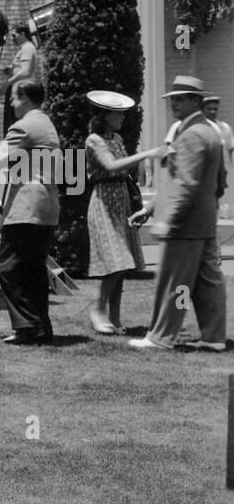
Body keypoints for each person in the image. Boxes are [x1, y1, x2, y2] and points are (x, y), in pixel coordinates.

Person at [129, 76, 227, 352]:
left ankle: (161, 336)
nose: (174, 103)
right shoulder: (211, 132)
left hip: (185, 224)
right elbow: (220, 182)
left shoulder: (191, 134)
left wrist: (168, 218)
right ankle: (214, 337)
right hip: (204, 220)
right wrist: (152, 208)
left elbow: (185, 183)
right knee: (208, 281)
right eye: (173, 98)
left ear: (197, 101)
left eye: (180, 98)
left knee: (175, 281)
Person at [0, 80, 61, 344]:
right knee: (33, 270)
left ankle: (26, 326)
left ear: (26, 99)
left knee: (8, 266)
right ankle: (39, 327)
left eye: (14, 99)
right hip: (45, 206)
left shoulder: (24, 126)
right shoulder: (46, 124)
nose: (11, 104)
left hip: (27, 208)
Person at [83, 94, 160, 334]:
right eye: (118, 113)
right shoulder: (94, 140)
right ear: (105, 116)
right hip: (103, 203)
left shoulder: (116, 138)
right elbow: (112, 165)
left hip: (121, 201)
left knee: (121, 264)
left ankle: (114, 319)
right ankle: (97, 310)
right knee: (117, 260)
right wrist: (147, 154)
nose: (122, 117)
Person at [2, 24, 38, 133]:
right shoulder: (25, 48)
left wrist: (8, 83)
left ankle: (7, 150)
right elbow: (22, 68)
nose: (12, 39)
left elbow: (25, 71)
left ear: (22, 34)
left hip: (19, 91)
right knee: (11, 123)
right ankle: (7, 149)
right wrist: (10, 69)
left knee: (12, 124)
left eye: (14, 35)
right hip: (18, 90)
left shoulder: (27, 47)